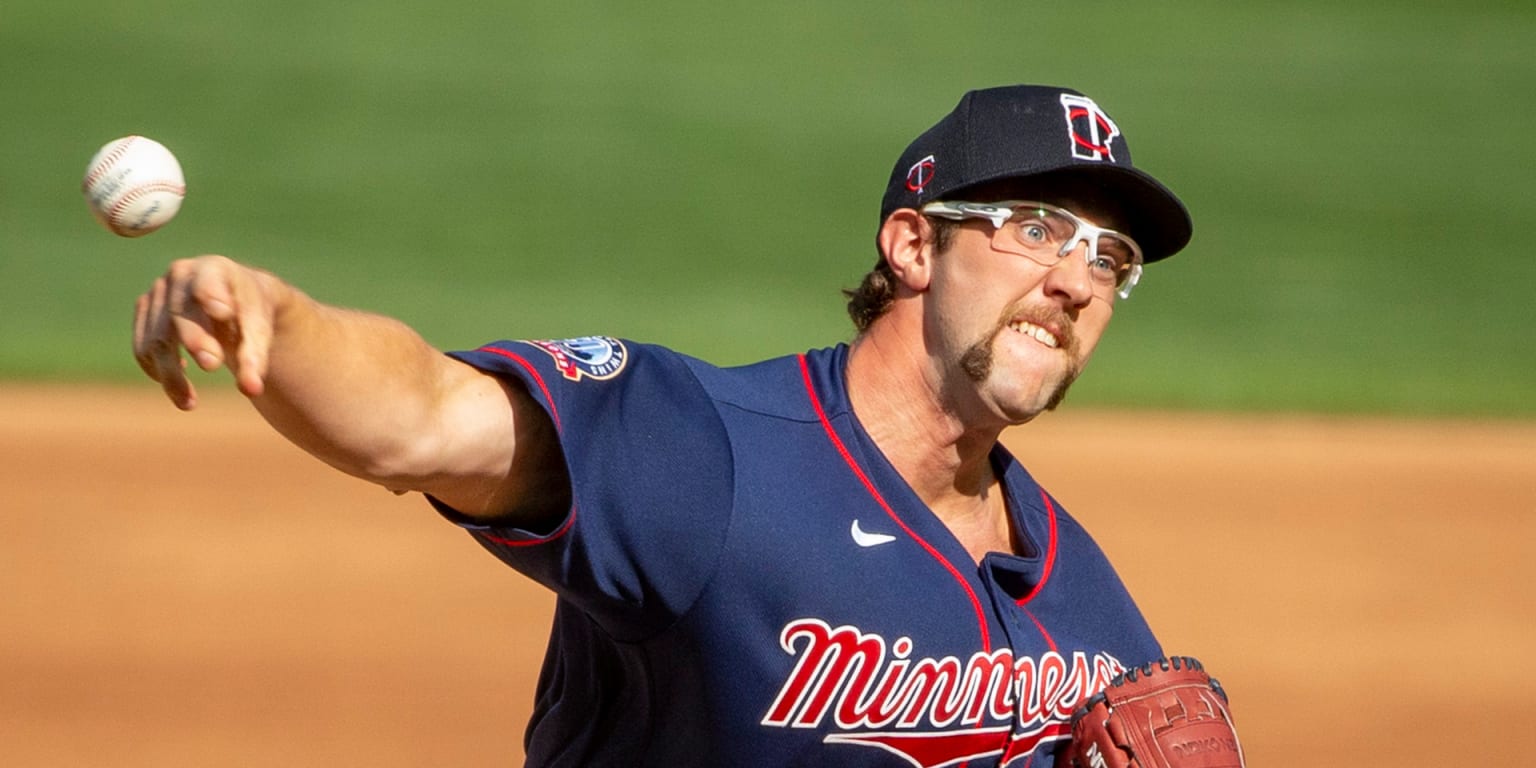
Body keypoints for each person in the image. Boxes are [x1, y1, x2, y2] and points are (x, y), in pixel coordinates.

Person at [133, 84, 1194, 767]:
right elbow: (418, 422)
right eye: (1038, 229)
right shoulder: (707, 455)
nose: (1076, 280)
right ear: (914, 247)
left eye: (1111, 259)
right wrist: (282, 322)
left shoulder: (1090, 613)